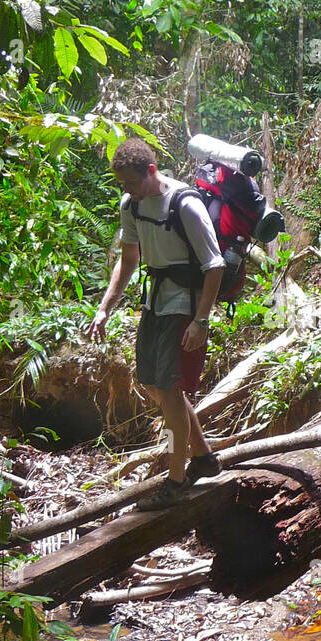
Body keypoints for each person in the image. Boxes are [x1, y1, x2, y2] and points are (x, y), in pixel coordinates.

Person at [88, 138, 225, 509]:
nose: (126, 190)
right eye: (122, 184)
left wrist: (201, 320)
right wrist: (105, 307)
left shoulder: (186, 205)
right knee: (154, 384)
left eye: (131, 182)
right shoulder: (130, 204)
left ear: (151, 171)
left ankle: (177, 481)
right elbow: (129, 259)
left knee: (169, 390)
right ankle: (204, 458)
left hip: (185, 303)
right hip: (156, 301)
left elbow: (215, 266)